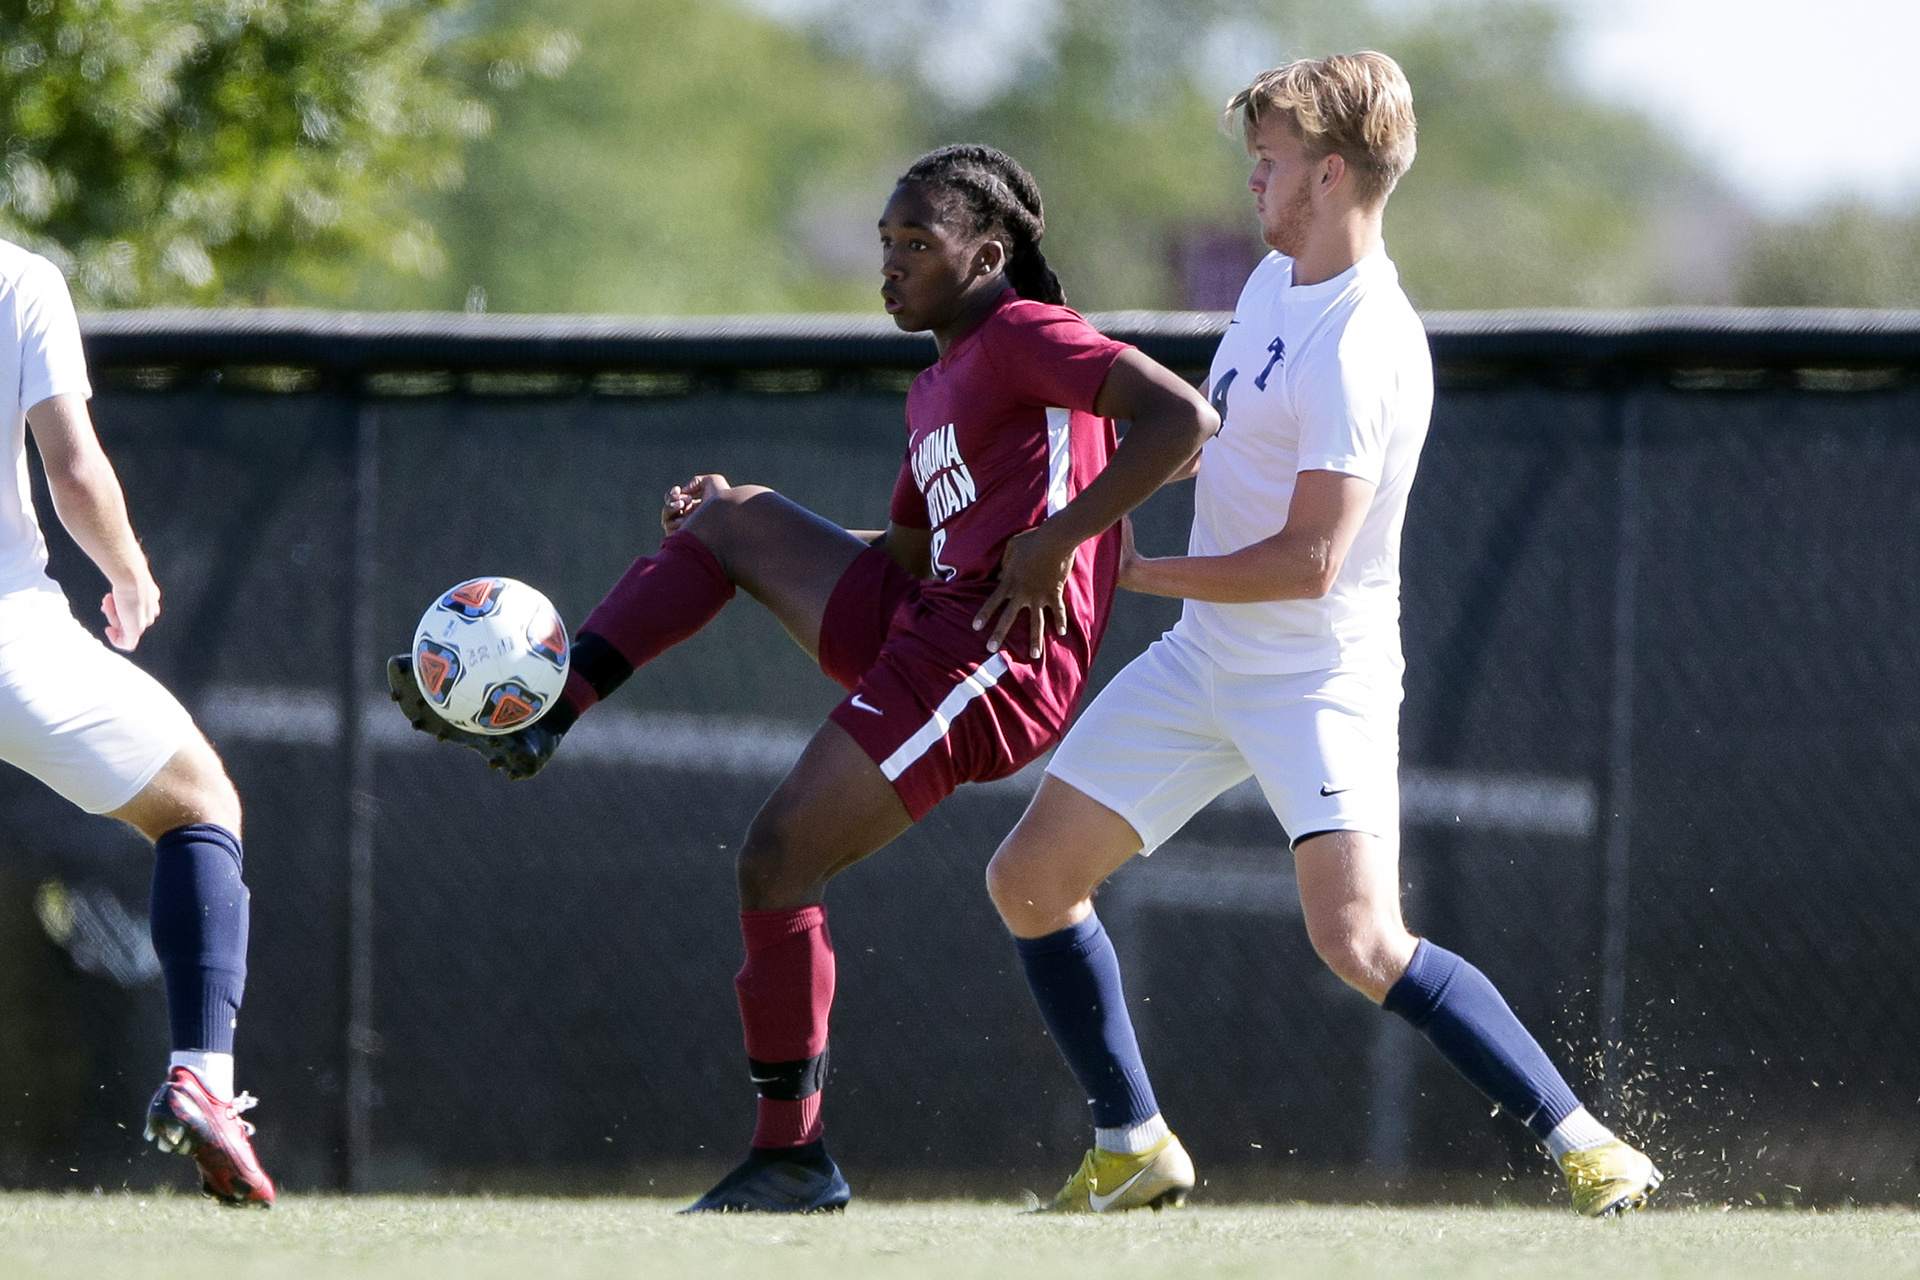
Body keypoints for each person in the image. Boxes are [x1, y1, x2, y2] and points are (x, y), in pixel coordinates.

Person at [389, 144, 1220, 1213]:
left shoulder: (1021, 331)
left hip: (993, 659)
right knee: (731, 517)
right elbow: (914, 552)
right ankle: (548, 711)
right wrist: (743, 523)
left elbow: (1181, 418)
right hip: (934, 612)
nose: (892, 263)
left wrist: (1060, 537)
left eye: (918, 243)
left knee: (777, 855)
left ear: (989, 253)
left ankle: (793, 1157)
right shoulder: (937, 385)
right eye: (885, 242)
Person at [983, 53, 1663, 1217]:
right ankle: (1132, 1140)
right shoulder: (1272, 283)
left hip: (1316, 675)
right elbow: (1219, 439)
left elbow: (1309, 563)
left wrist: (1131, 567)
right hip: (1208, 656)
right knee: (1031, 880)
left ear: (1333, 171)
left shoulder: (1366, 340)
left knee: (1359, 939)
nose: (1254, 179)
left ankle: (1588, 1139)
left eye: (1273, 160)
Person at [0, 240, 275, 1205]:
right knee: (197, 804)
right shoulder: (17, 277)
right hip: (8, 637)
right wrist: (128, 572)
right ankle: (204, 1070)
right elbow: (73, 470)